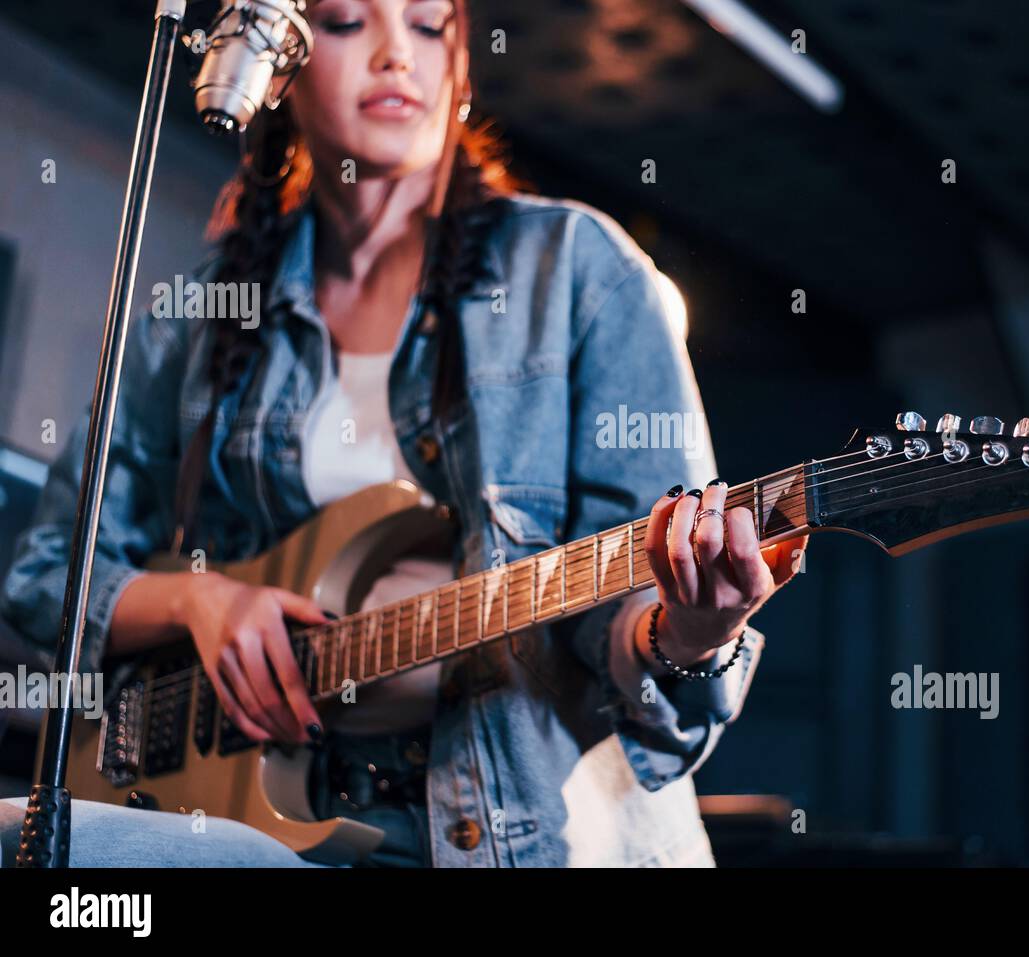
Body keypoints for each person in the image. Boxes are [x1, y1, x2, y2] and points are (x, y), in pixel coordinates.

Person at [0, 0, 806, 867]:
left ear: (461, 65)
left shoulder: (581, 274)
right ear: (281, 62)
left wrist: (689, 633)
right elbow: (44, 574)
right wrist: (200, 599)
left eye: (428, 26)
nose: (395, 56)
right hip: (250, 817)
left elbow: (629, 634)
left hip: (503, 836)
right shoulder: (193, 320)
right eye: (346, 21)